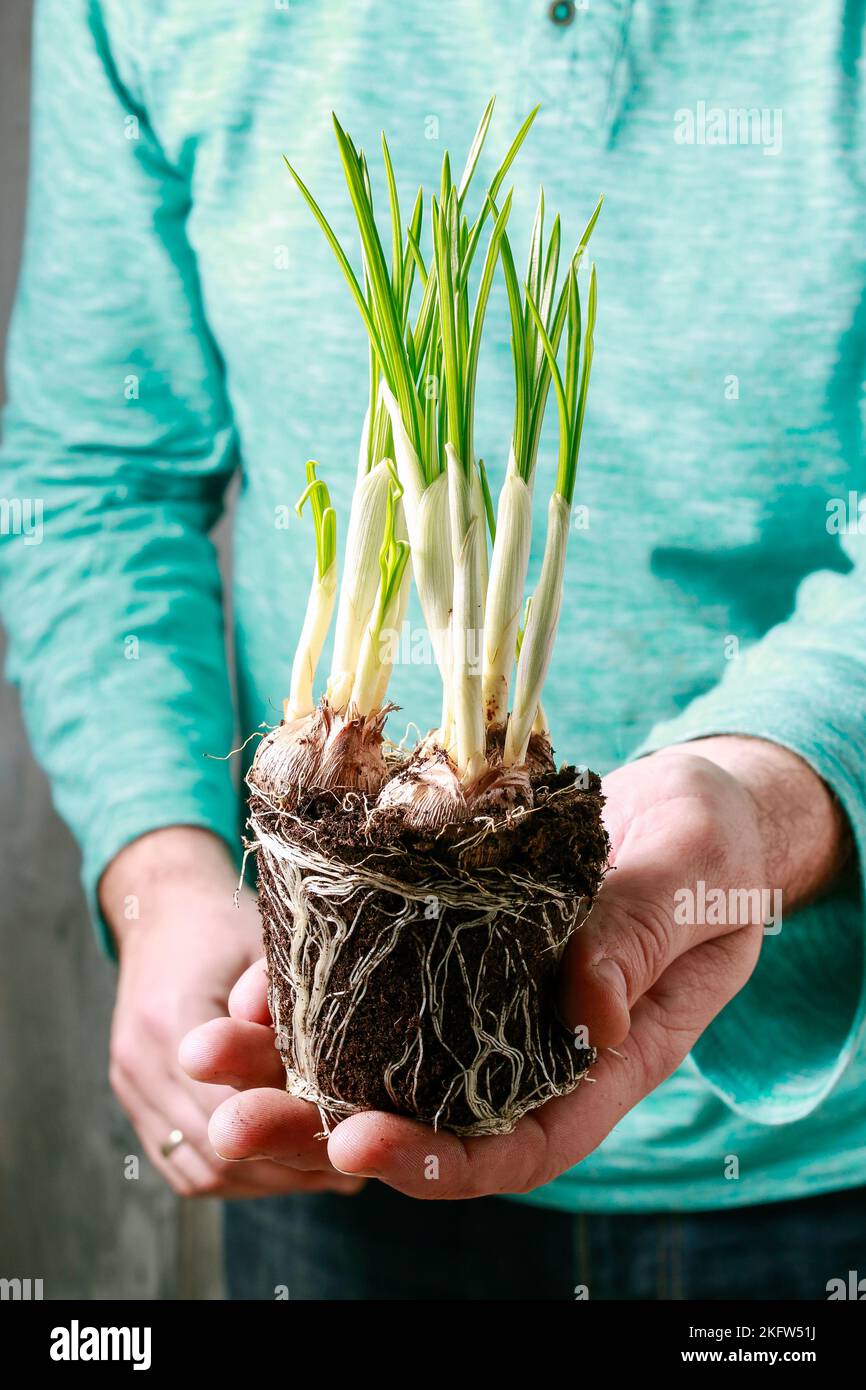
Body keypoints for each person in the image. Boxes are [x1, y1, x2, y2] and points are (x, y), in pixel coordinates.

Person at [2, 0, 864, 1301]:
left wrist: (764, 794)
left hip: (815, 1164)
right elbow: (94, 468)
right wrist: (165, 877)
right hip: (333, 1131)